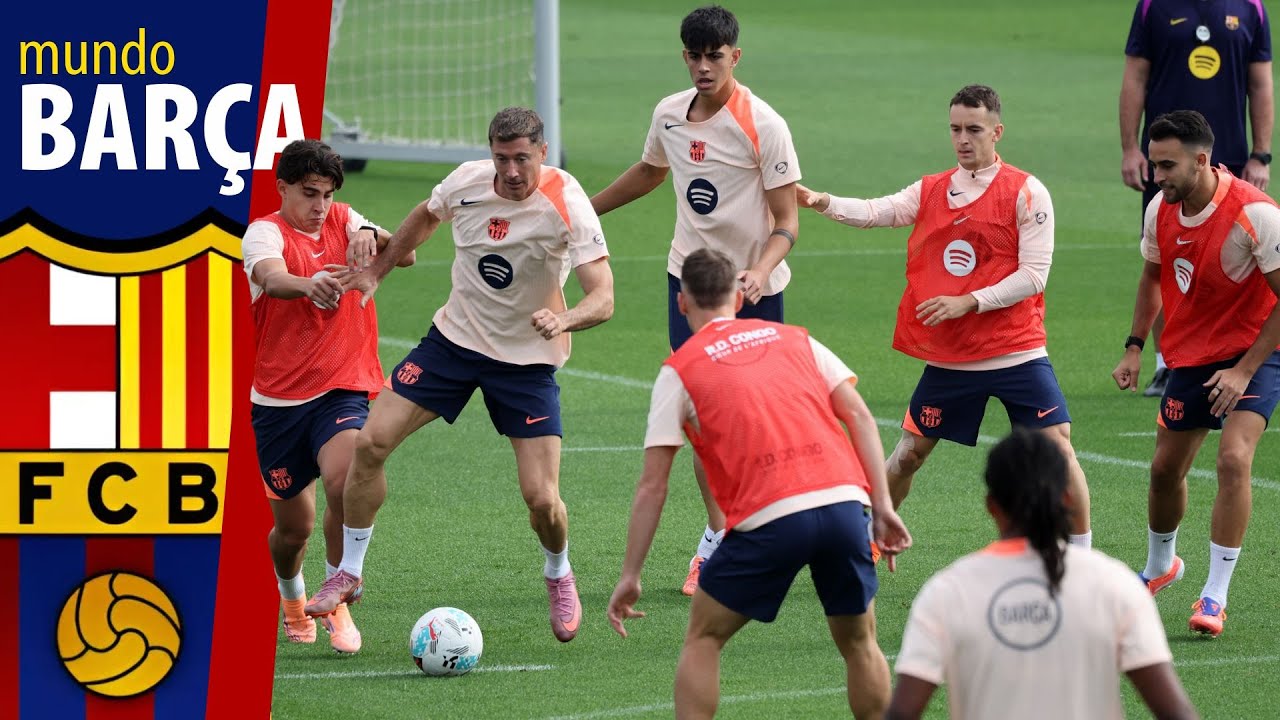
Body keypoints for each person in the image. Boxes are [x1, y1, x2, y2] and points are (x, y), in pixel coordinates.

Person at [303, 107, 615, 644]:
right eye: (501, 158)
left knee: (542, 499)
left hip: (526, 362)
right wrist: (376, 271)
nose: (511, 170)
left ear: (542, 152)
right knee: (370, 444)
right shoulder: (467, 182)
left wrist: (564, 319)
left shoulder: (568, 202)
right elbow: (426, 216)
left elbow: (604, 296)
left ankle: (559, 572)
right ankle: (349, 571)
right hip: (453, 344)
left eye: (522, 159)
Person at [606, 248, 911, 720]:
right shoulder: (797, 339)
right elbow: (860, 416)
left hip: (770, 517)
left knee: (704, 637)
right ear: (738, 298)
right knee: (859, 642)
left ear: (682, 302)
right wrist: (883, 506)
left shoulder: (679, 371)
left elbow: (653, 486)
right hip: (843, 506)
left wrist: (631, 574)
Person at [797, 84, 1094, 550]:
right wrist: (824, 202)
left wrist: (969, 301)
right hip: (953, 357)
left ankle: (1081, 557)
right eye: (955, 129)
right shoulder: (932, 188)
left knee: (1058, 448)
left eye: (973, 129)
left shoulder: (1027, 191)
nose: (962, 139)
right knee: (908, 455)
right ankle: (871, 539)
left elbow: (1034, 276)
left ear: (997, 132)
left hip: (1016, 350)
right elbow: (878, 211)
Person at [591, 4, 802, 595]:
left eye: (715, 56)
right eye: (694, 56)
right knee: (703, 418)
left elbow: (787, 221)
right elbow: (650, 171)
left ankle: (772, 524)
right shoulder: (668, 114)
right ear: (684, 56)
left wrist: (760, 270)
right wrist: (584, 210)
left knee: (755, 421)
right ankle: (719, 538)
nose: (704, 67)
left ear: (735, 56)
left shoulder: (764, 125)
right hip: (688, 284)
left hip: (754, 291)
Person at [886, 430, 1198, 720]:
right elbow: (1176, 713)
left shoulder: (948, 591)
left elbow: (902, 712)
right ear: (1068, 499)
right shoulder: (1115, 586)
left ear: (992, 506)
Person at [242, 138, 415, 654]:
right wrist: (308, 283)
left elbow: (405, 255)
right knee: (293, 531)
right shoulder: (264, 232)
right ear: (283, 188)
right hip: (279, 403)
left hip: (342, 388)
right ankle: (293, 600)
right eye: (308, 193)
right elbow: (272, 278)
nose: (320, 206)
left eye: (327, 194)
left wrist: (371, 233)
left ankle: (338, 593)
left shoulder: (345, 219)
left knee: (345, 480)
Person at [1112, 110, 1280, 637]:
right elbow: (1151, 277)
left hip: (1256, 350)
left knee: (1233, 458)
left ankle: (1214, 595)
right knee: (1165, 470)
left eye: (1167, 165)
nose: (1156, 176)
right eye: (1154, 164)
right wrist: (1135, 347)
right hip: (1192, 353)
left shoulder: (1256, 214)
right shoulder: (1160, 208)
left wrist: (1244, 370)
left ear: (1202, 160)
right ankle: (1160, 568)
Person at [1120, 0, 1273, 397]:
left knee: (1242, 260)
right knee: (1168, 258)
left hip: (1230, 156)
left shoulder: (1251, 8)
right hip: (1168, 161)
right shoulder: (1152, 6)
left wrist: (1261, 153)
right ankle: (1165, 364)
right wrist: (1131, 149)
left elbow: (1260, 82)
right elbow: (1135, 76)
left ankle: (1246, 358)